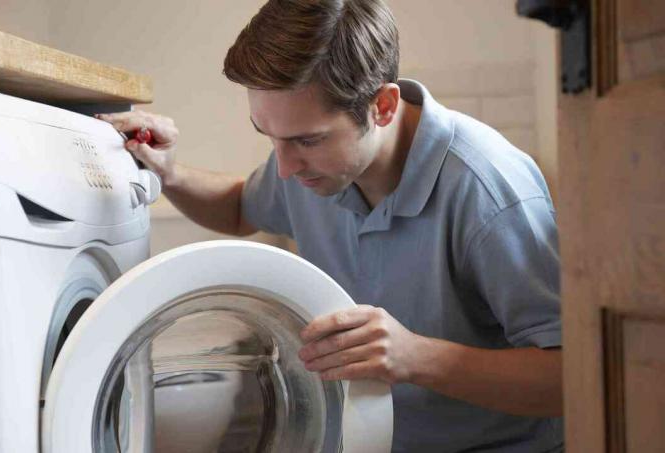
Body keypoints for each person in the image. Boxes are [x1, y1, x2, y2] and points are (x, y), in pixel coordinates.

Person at [98, 0, 563, 451]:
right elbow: (242, 208)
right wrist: (170, 174)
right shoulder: (315, 166)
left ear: (382, 106)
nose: (284, 168)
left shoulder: (488, 190)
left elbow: (571, 377)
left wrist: (416, 356)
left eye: (307, 140)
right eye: (271, 137)